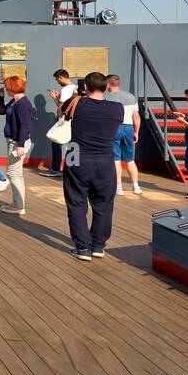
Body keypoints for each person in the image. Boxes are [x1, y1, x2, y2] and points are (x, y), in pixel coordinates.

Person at [61, 71, 124, 261]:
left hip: (75, 154)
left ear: (85, 87)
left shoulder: (76, 103)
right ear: (106, 87)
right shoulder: (117, 108)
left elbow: (62, 114)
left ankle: (82, 248)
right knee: (104, 204)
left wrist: (76, 96)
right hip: (105, 158)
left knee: (76, 202)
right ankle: (98, 245)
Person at [0, 76, 33, 215]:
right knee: (16, 173)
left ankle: (19, 206)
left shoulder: (23, 104)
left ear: (12, 87)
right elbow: (1, 111)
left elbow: (25, 125)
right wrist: (0, 97)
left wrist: (20, 145)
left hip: (19, 142)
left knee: (13, 173)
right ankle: (17, 203)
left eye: (7, 87)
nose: (6, 89)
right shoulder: (14, 101)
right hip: (14, 141)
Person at [104, 74, 143, 196]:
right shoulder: (131, 97)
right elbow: (136, 117)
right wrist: (136, 132)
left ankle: (119, 188)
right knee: (130, 160)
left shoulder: (106, 97)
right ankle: (136, 186)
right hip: (128, 128)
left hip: (114, 128)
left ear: (108, 84)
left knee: (116, 160)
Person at [41, 69, 77, 176]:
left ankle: (56, 169)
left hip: (64, 120)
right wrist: (58, 97)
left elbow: (61, 109)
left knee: (56, 143)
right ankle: (71, 170)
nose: (57, 82)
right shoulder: (76, 88)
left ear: (61, 77)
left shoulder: (66, 90)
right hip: (74, 120)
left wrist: (54, 99)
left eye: (57, 80)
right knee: (72, 144)